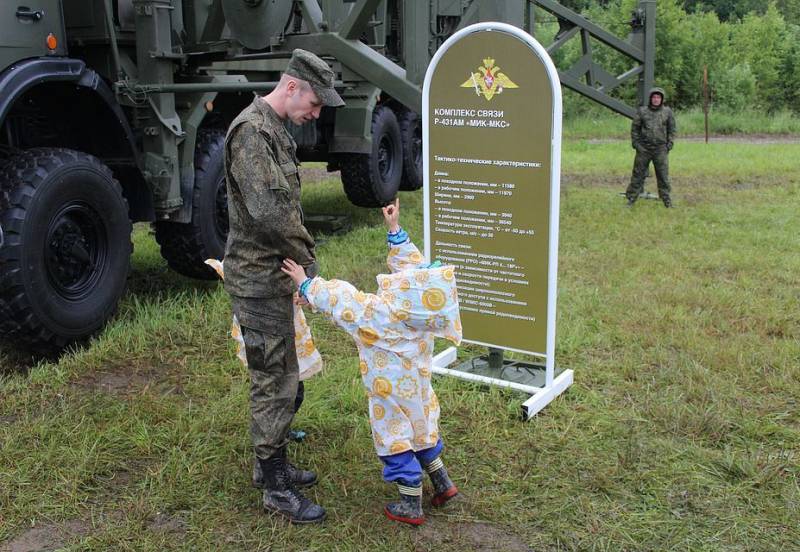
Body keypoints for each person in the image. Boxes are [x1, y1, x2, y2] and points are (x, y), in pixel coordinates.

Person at [281, 199, 462, 526]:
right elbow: (413, 269)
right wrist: (395, 231)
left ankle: (411, 504)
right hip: (417, 390)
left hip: (389, 392)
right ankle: (442, 483)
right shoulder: (423, 317)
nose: (406, 278)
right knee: (423, 430)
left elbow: (344, 299)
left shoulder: (383, 316)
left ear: (408, 294)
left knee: (396, 436)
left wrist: (306, 283)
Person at [223, 48, 344, 525]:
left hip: (273, 274)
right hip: (258, 279)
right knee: (275, 381)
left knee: (283, 373)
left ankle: (269, 467)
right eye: (315, 103)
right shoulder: (253, 134)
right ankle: (274, 488)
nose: (316, 114)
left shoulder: (274, 130)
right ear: (291, 86)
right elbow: (273, 214)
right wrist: (310, 267)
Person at [625, 87, 677, 208]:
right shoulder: (642, 111)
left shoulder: (667, 112)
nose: (656, 99)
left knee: (663, 175)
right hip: (644, 148)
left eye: (658, 97)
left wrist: (669, 144)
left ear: (662, 99)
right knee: (638, 174)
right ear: (650, 99)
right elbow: (635, 129)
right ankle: (631, 199)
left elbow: (672, 129)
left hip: (660, 149)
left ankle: (666, 200)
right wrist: (636, 144)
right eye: (654, 97)